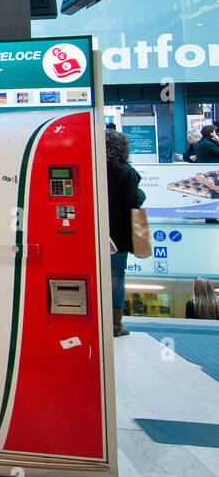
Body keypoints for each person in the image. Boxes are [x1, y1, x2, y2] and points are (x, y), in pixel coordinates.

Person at [105, 129, 144, 337]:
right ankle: (114, 324)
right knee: (116, 277)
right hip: (118, 235)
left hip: (95, 232)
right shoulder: (127, 172)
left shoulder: (94, 168)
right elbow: (133, 203)